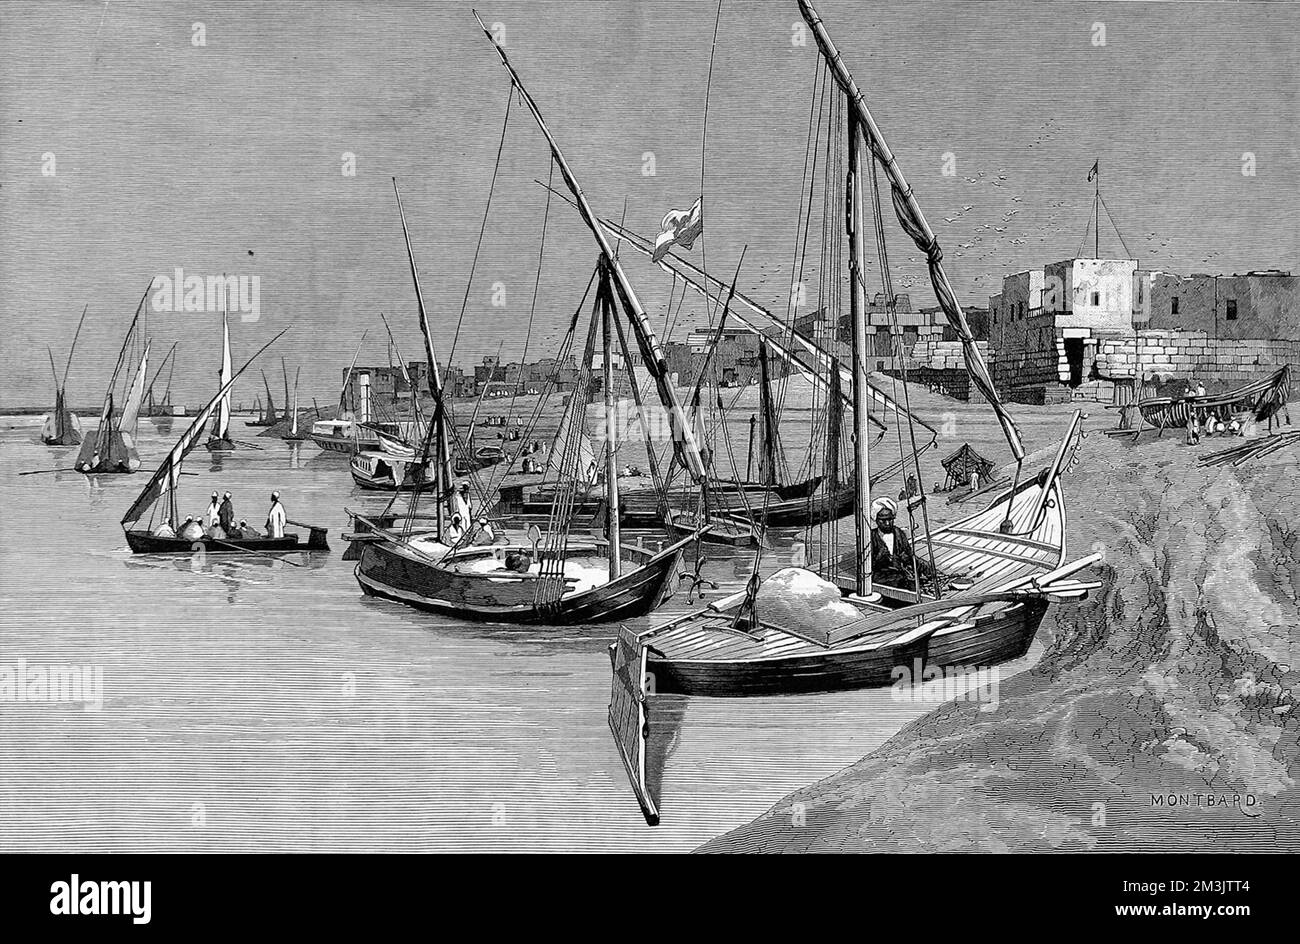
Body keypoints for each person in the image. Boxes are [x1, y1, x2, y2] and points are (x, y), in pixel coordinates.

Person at [869, 497, 937, 591]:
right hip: (882, 578)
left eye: (890, 519)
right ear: (876, 519)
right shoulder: (870, 537)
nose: (888, 523)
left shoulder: (899, 533)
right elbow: (868, 565)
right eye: (883, 520)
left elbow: (909, 555)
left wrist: (927, 568)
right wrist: (881, 557)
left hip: (902, 574)